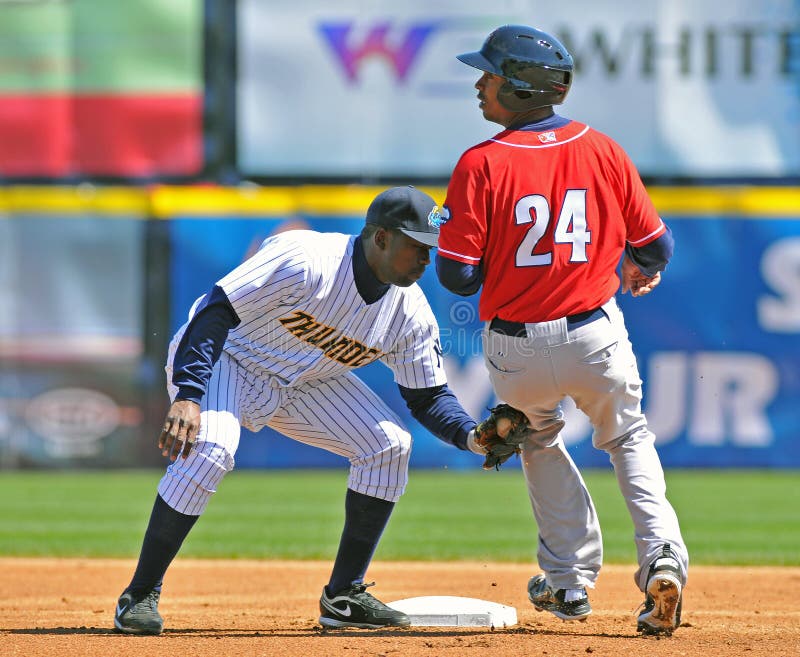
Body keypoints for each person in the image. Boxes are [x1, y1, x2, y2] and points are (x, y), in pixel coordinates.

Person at [113, 185, 490, 635]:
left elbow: (427, 397)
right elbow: (216, 310)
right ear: (381, 237)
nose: (427, 259)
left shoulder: (409, 314)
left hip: (303, 381)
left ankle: (344, 596)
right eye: (418, 246)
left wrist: (474, 437)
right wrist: (189, 394)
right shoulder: (306, 260)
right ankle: (139, 594)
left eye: (431, 249)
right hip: (229, 358)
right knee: (211, 450)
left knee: (389, 446)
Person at [436, 25, 688, 636]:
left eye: (490, 74)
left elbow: (457, 276)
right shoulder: (603, 149)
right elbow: (656, 247)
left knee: (537, 440)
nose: (479, 83)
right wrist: (634, 266)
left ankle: (569, 582)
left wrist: (504, 258)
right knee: (627, 438)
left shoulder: (480, 162)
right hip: (594, 333)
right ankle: (662, 559)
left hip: (515, 345)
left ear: (520, 87)